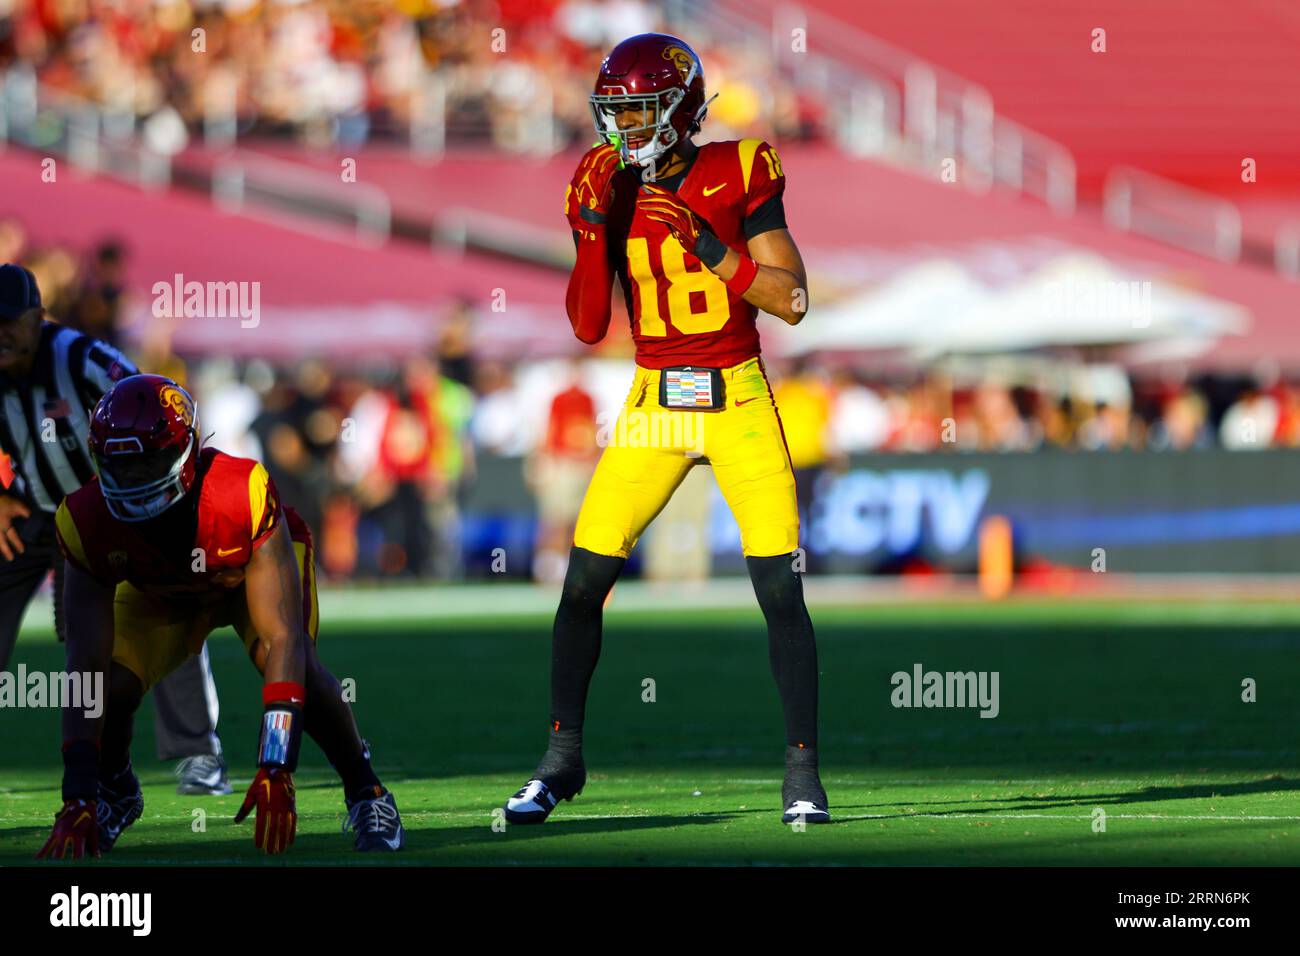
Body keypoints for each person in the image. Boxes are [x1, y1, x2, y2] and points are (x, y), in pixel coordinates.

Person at [504, 34, 827, 825]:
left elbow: (792, 301)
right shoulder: (607, 185)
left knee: (779, 590)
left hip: (737, 395)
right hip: (653, 399)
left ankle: (801, 773)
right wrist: (586, 231)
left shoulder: (741, 166)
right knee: (582, 583)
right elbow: (586, 326)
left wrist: (712, 248)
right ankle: (561, 758)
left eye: (639, 108)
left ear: (681, 108)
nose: (624, 125)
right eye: (612, 110)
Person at [35, 375, 405, 857]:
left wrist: (276, 764)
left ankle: (367, 790)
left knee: (302, 674)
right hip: (161, 594)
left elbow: (282, 639)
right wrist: (78, 792)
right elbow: (83, 666)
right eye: (120, 464)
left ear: (185, 450)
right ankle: (114, 791)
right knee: (109, 683)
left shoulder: (240, 490)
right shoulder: (83, 518)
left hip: (242, 578)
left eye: (147, 460)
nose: (133, 478)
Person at [0, 263, 231, 795]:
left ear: (38, 318)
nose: (1, 333)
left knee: (165, 610)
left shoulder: (84, 360)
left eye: (10, 321)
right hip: (34, 514)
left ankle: (198, 752)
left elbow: (152, 405)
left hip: (107, 513)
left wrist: (153, 495)